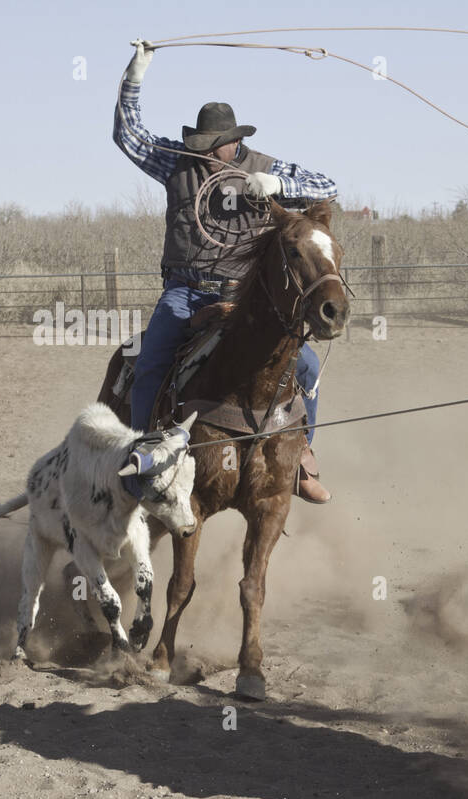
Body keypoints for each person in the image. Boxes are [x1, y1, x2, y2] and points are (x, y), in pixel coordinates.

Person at [113, 40, 337, 503]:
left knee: (308, 364)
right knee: (151, 359)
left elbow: (328, 186)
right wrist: (133, 79)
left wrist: (280, 185)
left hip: (247, 296)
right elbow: (128, 136)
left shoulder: (265, 168)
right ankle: (145, 455)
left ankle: (301, 456)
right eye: (203, 146)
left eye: (216, 146)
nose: (210, 154)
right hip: (185, 291)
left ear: (236, 141)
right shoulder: (179, 163)